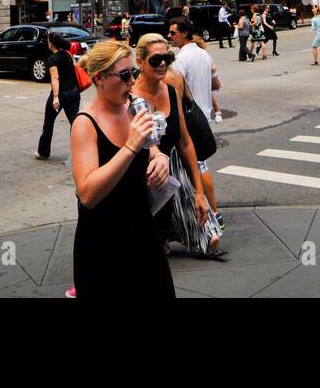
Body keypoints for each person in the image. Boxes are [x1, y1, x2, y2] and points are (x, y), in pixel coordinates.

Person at [69, 40, 174, 299]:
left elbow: (152, 148)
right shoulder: (85, 123)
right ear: (100, 78)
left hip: (142, 231)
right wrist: (130, 147)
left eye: (134, 73)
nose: (131, 81)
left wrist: (160, 159)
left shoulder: (135, 107)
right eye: (124, 75)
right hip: (103, 242)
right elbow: (87, 193)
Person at [133, 33, 214, 254]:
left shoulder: (169, 90)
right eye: (155, 59)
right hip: (136, 192)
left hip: (164, 190)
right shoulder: (129, 96)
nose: (162, 64)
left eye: (167, 58)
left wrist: (199, 192)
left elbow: (185, 141)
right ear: (139, 62)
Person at [169, 17, 224, 232]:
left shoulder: (181, 59)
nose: (170, 36)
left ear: (184, 33)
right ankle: (206, 211)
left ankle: (213, 212)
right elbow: (216, 84)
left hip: (189, 117)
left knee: (197, 166)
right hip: (203, 116)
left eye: (173, 33)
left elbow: (176, 89)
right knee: (198, 165)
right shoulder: (204, 54)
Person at [36, 31, 80, 160]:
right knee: (75, 122)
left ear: (51, 43)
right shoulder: (67, 54)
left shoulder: (52, 59)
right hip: (74, 92)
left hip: (61, 94)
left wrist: (55, 97)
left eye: (48, 41)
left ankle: (43, 152)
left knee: (48, 122)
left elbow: (55, 78)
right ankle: (82, 149)